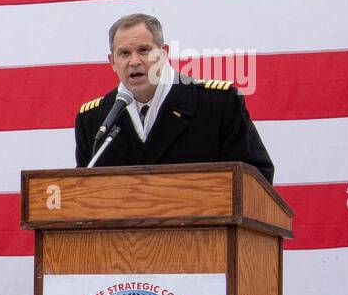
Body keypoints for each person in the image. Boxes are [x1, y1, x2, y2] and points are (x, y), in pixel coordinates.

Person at [74, 13, 275, 182]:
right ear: (112, 62)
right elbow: (83, 192)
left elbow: (257, 178)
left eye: (144, 50)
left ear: (164, 53)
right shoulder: (94, 120)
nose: (134, 61)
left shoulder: (217, 104)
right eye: (124, 53)